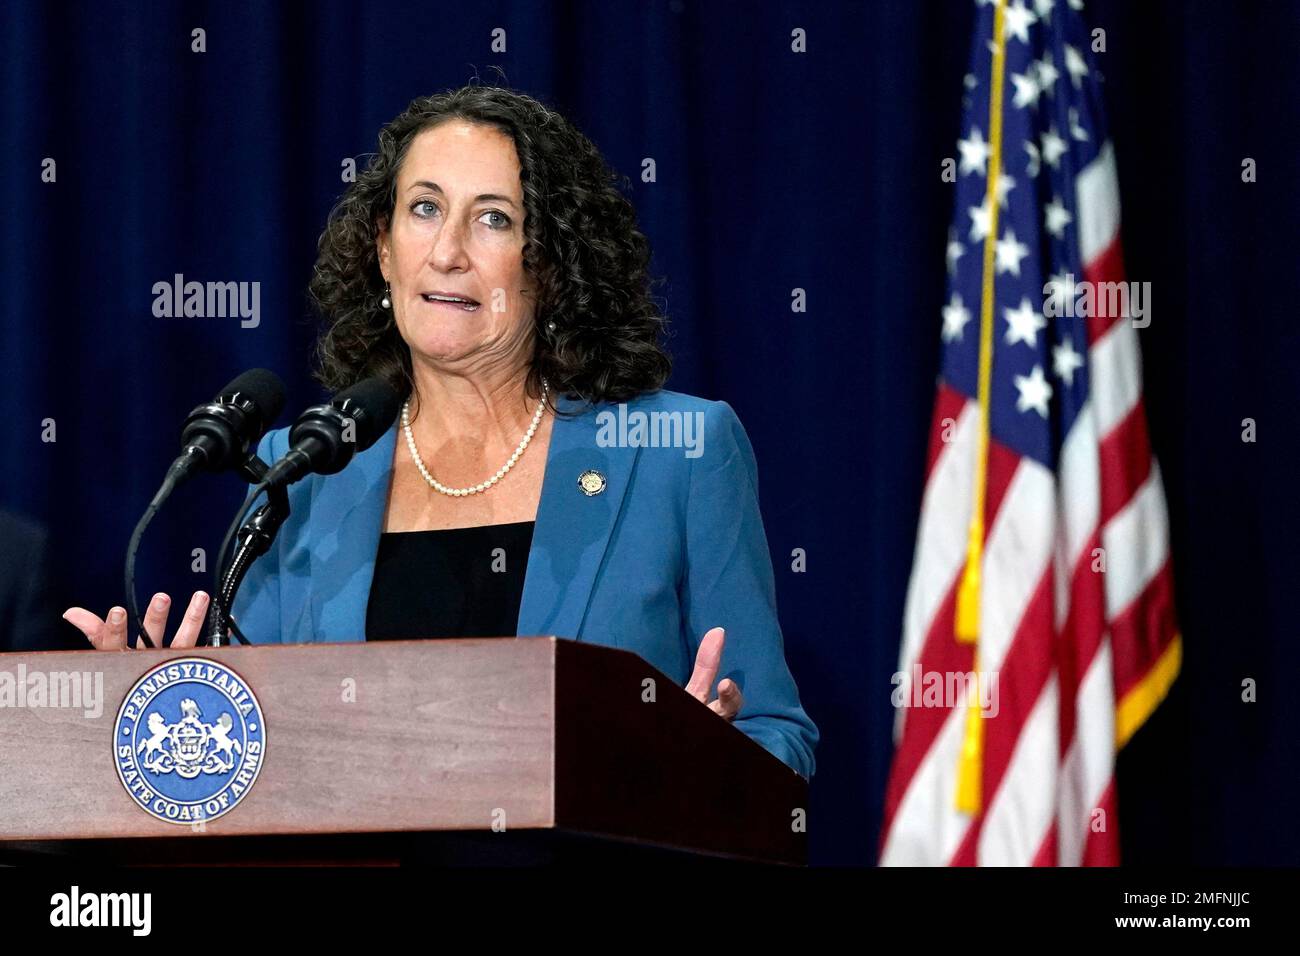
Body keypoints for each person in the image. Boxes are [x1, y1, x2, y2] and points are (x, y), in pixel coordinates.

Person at [64, 85, 818, 779]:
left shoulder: (678, 452)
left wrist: (703, 760)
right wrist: (157, 712)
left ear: (548, 265)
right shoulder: (302, 468)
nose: (448, 251)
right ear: (384, 249)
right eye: (424, 208)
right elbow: (258, 748)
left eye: (494, 218)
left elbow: (778, 738)